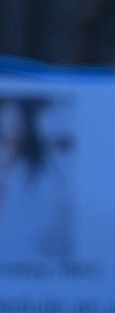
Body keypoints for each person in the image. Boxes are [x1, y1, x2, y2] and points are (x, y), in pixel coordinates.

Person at [0, 98, 72, 259]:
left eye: (18, 124)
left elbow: (45, 218)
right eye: (8, 123)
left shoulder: (38, 169)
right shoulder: (6, 163)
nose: (14, 130)